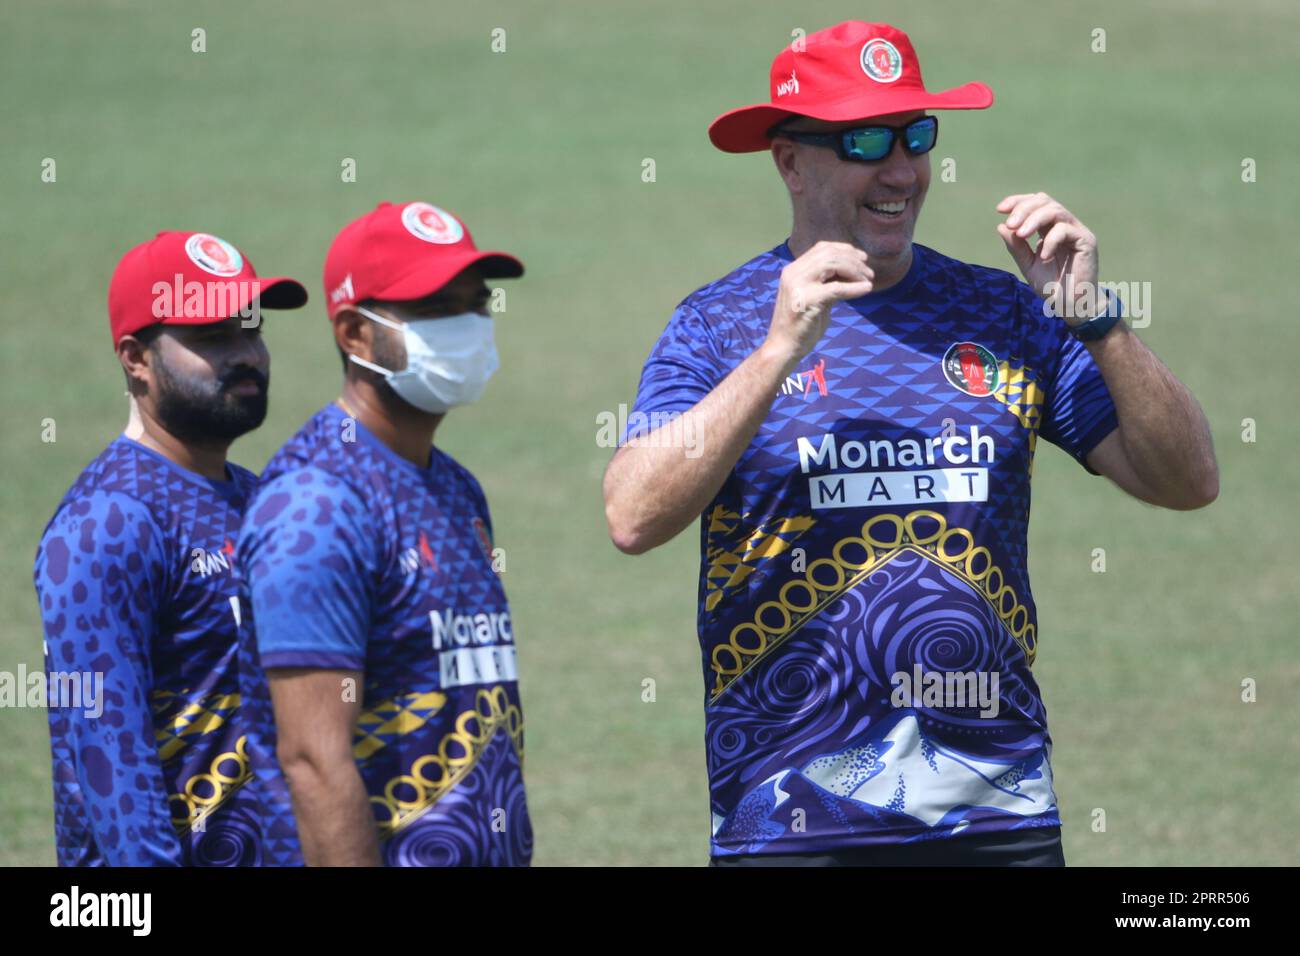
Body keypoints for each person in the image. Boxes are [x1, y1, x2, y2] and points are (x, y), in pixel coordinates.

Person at [603, 21, 1218, 866]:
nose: (900, 170)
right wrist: (778, 352)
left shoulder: (1002, 313)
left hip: (997, 813)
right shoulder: (718, 325)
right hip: (790, 817)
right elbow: (632, 515)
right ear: (790, 161)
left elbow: (1187, 481)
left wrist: (1097, 321)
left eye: (916, 136)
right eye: (863, 141)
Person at [237, 201, 531, 866]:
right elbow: (313, 758)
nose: (466, 325)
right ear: (355, 334)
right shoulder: (313, 506)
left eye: (475, 303)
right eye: (432, 308)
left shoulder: (455, 486)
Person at [33, 230, 307, 865]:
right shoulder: (107, 523)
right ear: (135, 358)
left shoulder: (259, 496)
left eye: (250, 329)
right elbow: (109, 759)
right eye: (212, 337)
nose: (247, 354)